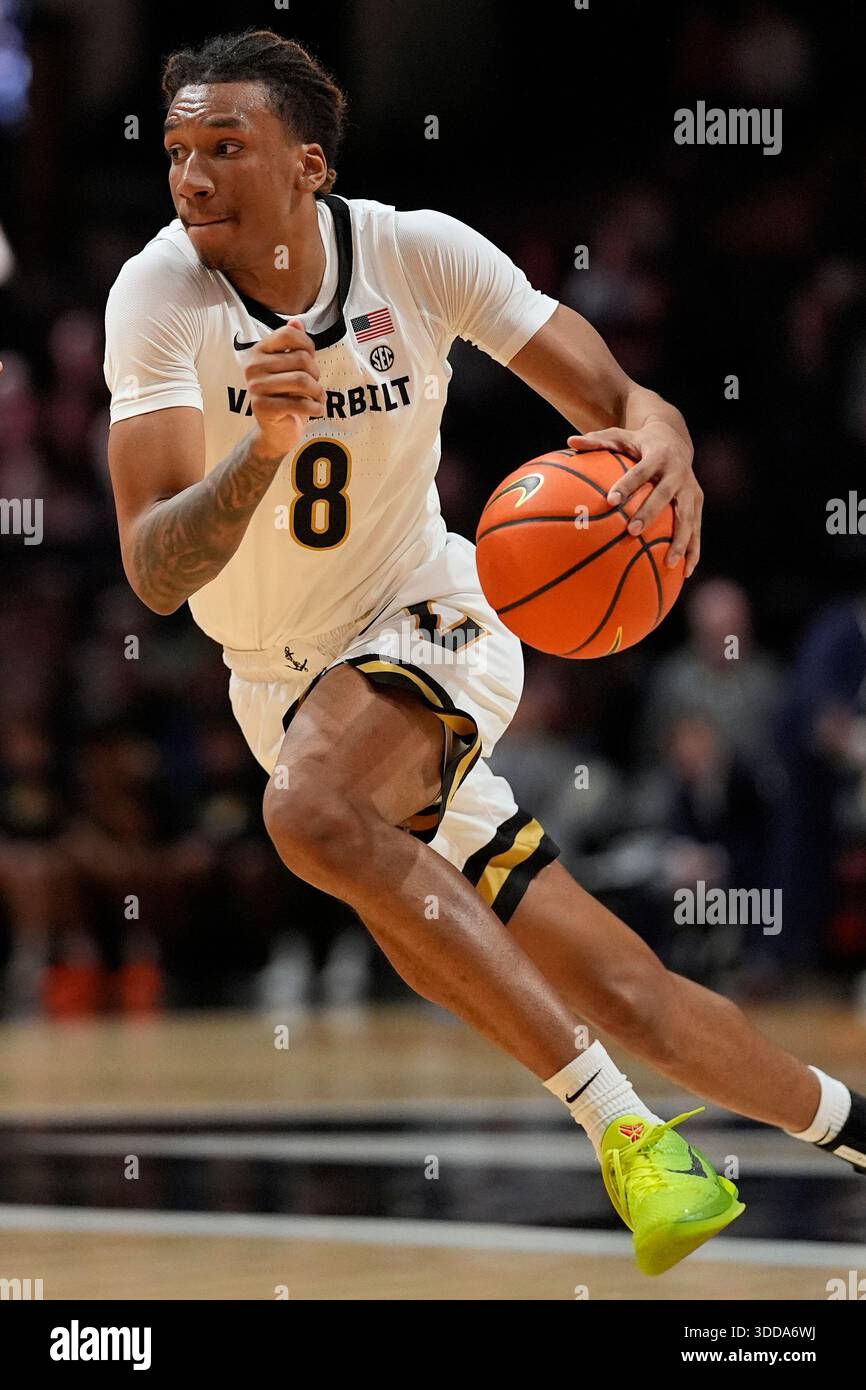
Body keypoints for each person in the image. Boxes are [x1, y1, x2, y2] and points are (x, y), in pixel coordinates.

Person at [101, 29, 865, 1276]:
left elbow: (625, 407)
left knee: (309, 813)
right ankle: (851, 1125)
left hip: (430, 620)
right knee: (627, 990)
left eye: (222, 148)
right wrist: (257, 454)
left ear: (307, 166)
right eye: (178, 149)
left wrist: (661, 451)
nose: (187, 175)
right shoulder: (157, 294)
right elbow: (153, 566)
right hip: (274, 680)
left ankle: (624, 1136)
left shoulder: (416, 251)